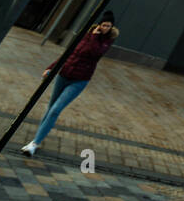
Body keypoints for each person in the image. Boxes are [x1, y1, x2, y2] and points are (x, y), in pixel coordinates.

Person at [21, 13, 119, 156]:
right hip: (64, 75)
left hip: (79, 80)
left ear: (111, 27)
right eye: (104, 25)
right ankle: (37, 139)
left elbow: (95, 52)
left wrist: (94, 36)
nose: (105, 28)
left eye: (108, 26)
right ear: (99, 25)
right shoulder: (85, 36)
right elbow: (69, 53)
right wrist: (51, 67)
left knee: (55, 110)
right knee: (50, 109)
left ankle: (34, 144)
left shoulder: (106, 41)